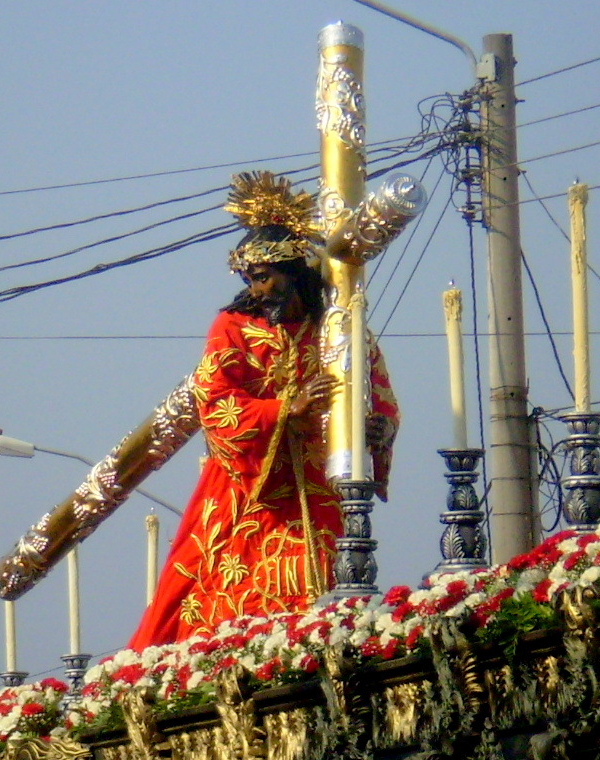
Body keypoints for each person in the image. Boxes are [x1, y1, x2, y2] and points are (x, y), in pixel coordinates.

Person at [127, 173, 398, 650]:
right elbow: (215, 401)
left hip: (319, 488)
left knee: (331, 601)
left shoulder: (336, 328)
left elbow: (375, 391)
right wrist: (284, 409)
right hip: (248, 491)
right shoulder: (231, 328)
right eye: (250, 280)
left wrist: (378, 429)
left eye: (264, 277)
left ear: (294, 272)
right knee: (227, 608)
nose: (256, 290)